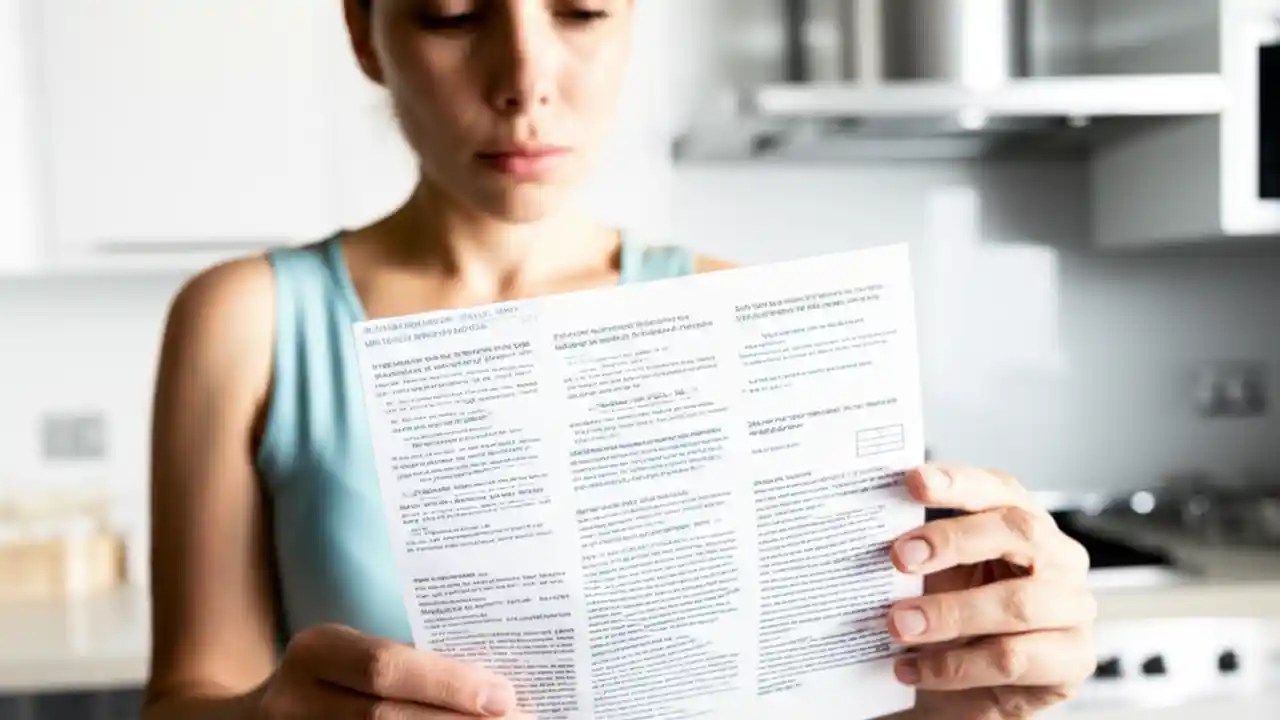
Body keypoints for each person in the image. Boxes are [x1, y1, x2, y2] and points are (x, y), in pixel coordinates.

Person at [143, 1, 1097, 718]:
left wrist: (961, 687)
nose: (524, 77)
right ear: (364, 32)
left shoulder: (744, 322)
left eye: (581, 10)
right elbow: (189, 692)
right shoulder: (247, 321)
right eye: (451, 12)